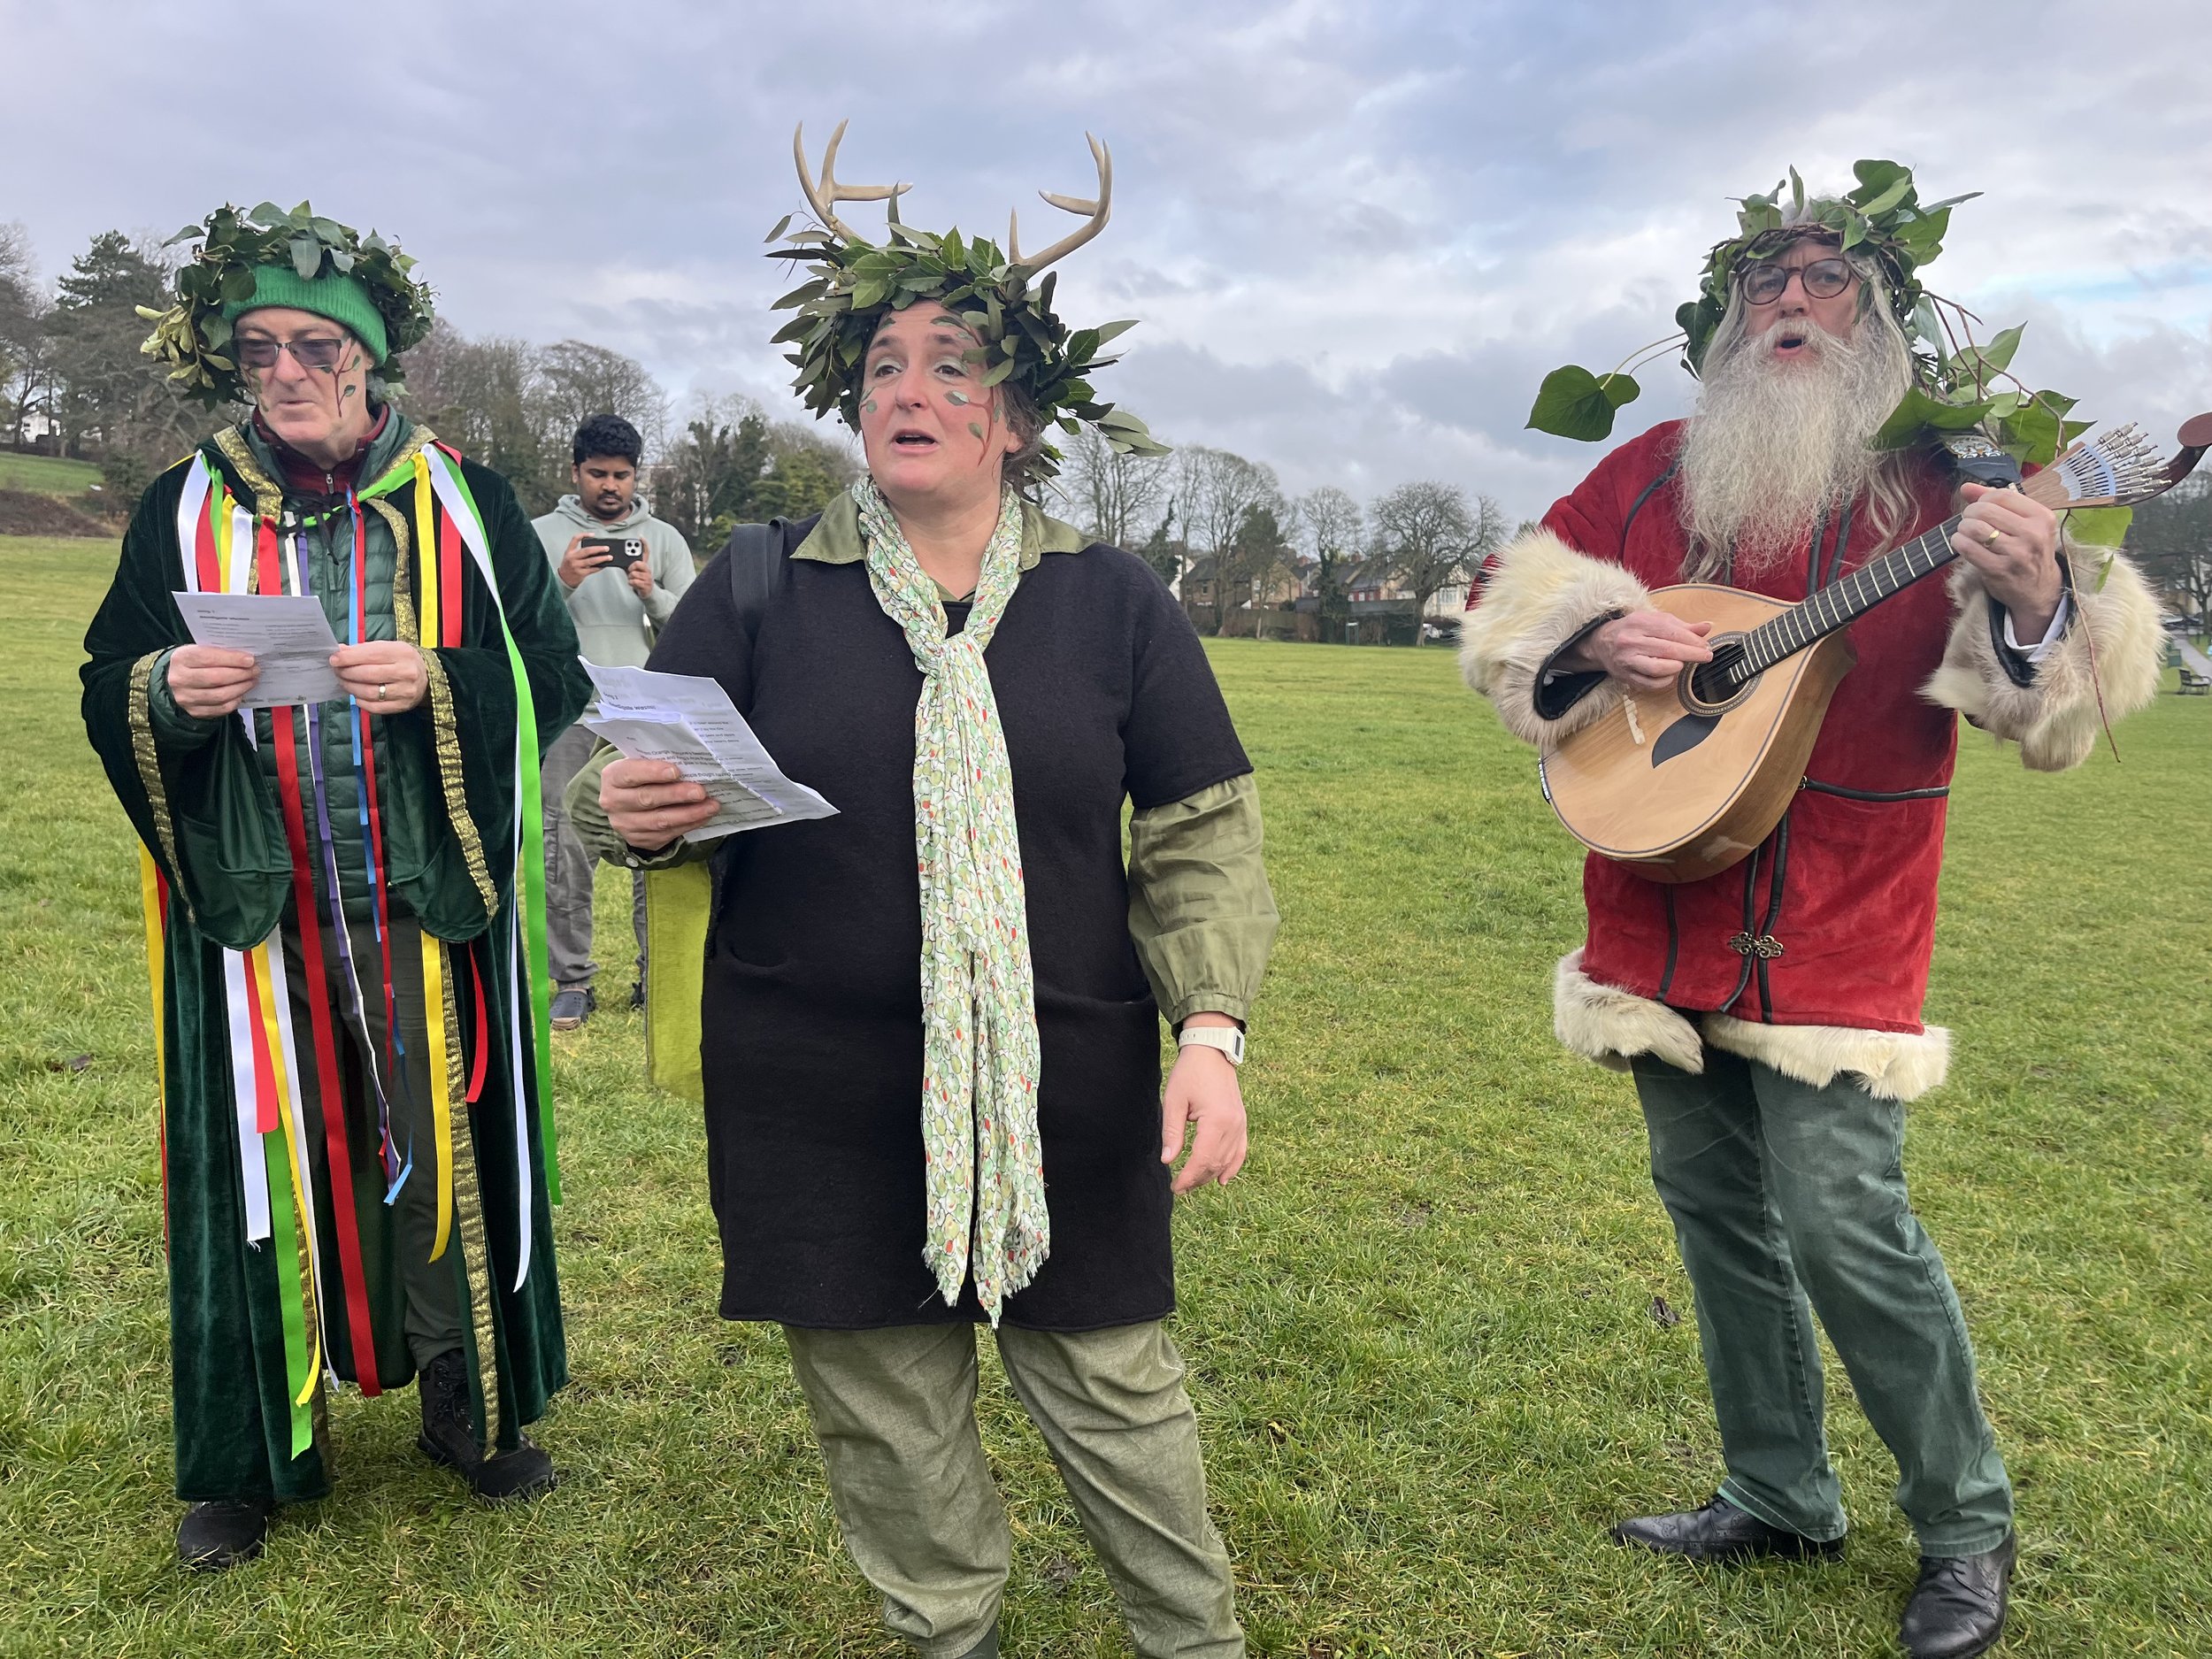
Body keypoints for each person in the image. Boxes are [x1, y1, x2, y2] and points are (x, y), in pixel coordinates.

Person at [567, 126, 1277, 1659]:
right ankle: (946, 1635)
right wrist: (629, 812)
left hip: (1061, 1077)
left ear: (1018, 418)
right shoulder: (760, 584)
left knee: (1120, 1400)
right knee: (889, 1428)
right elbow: (619, 783)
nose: (910, 391)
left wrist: (1211, 1035)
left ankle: (1193, 1643)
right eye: (885, 364)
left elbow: (1204, 828)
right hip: (812, 1084)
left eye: (955, 368)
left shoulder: (1114, 601)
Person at [1463, 165, 2162, 1659]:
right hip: (1659, 902)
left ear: (1883, 317)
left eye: (1825, 279)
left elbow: (2059, 711)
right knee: (1717, 1216)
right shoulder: (1651, 472)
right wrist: (1591, 622)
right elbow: (1508, 592)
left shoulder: (1959, 487)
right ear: (1727, 322)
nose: (1790, 299)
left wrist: (2040, 596)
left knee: (1849, 1224)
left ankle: (1966, 1524)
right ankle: (1777, 1489)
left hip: (1843, 920)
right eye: (1764, 281)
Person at [83, 204, 590, 1570]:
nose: (288, 371)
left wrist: (445, 679)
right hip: (257, 916)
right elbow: (105, 677)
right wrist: (164, 691)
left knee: (445, 1156)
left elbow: (557, 672)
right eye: (260, 351)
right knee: (260, 1169)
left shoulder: (466, 505)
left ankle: (464, 1405)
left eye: (316, 346)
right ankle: (250, 1453)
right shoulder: (179, 510)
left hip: (426, 903)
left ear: (372, 362)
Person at [534, 412, 695, 1030]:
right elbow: (511, 627)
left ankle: (655, 976)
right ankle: (572, 981)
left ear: (636, 476)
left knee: (653, 839)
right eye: (597, 473)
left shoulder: (667, 540)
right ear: (575, 471)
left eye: (621, 475)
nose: (610, 485)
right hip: (569, 710)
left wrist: (651, 590)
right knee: (565, 848)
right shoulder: (540, 535)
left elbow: (695, 631)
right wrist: (562, 583)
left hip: (644, 711)